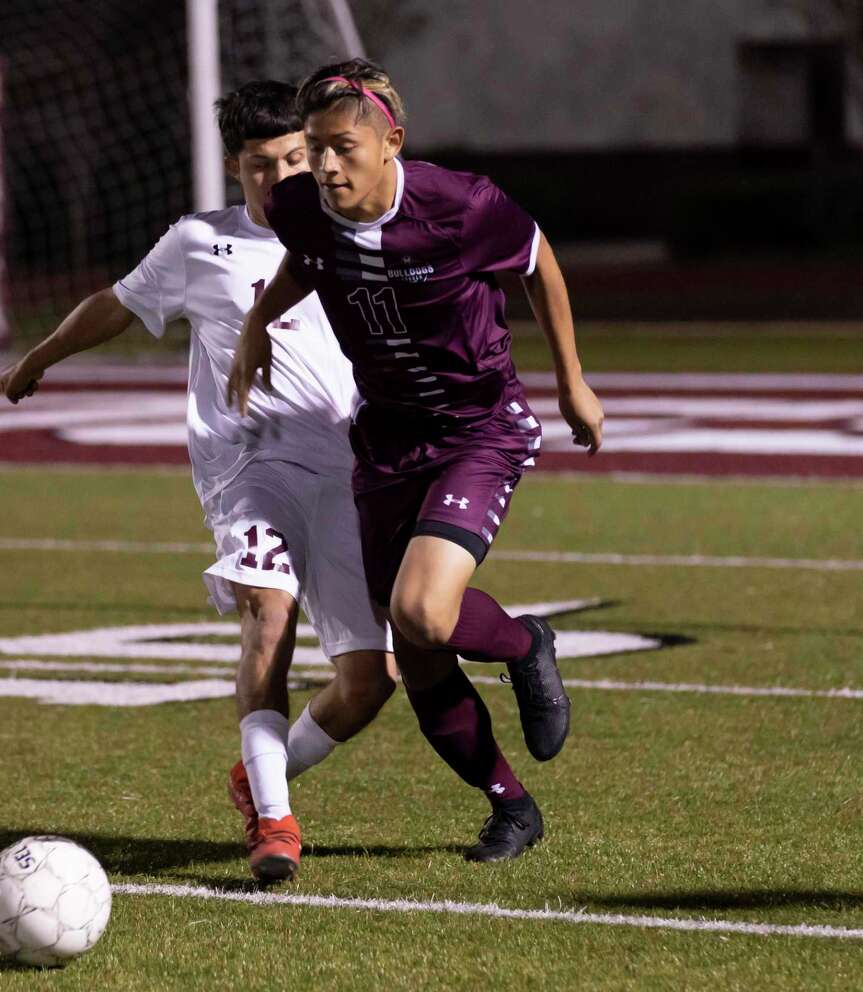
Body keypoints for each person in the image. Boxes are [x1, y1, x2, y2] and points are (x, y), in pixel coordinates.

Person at [0, 81, 396, 883]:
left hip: (348, 469)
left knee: (369, 681)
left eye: (295, 159)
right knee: (268, 616)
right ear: (232, 167)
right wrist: (39, 357)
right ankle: (274, 822)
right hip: (250, 469)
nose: (280, 178)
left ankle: (260, 773)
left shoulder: (356, 232)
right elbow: (116, 304)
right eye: (260, 165)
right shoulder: (199, 243)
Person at [228, 59, 606, 862]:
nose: (326, 165)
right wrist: (260, 322)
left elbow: (538, 261)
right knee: (419, 654)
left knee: (423, 613)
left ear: (391, 142)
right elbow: (306, 261)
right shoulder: (301, 207)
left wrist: (572, 381)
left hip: (478, 430)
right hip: (386, 443)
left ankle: (524, 643)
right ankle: (511, 806)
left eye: (343, 147)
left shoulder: (461, 205)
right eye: (315, 148)